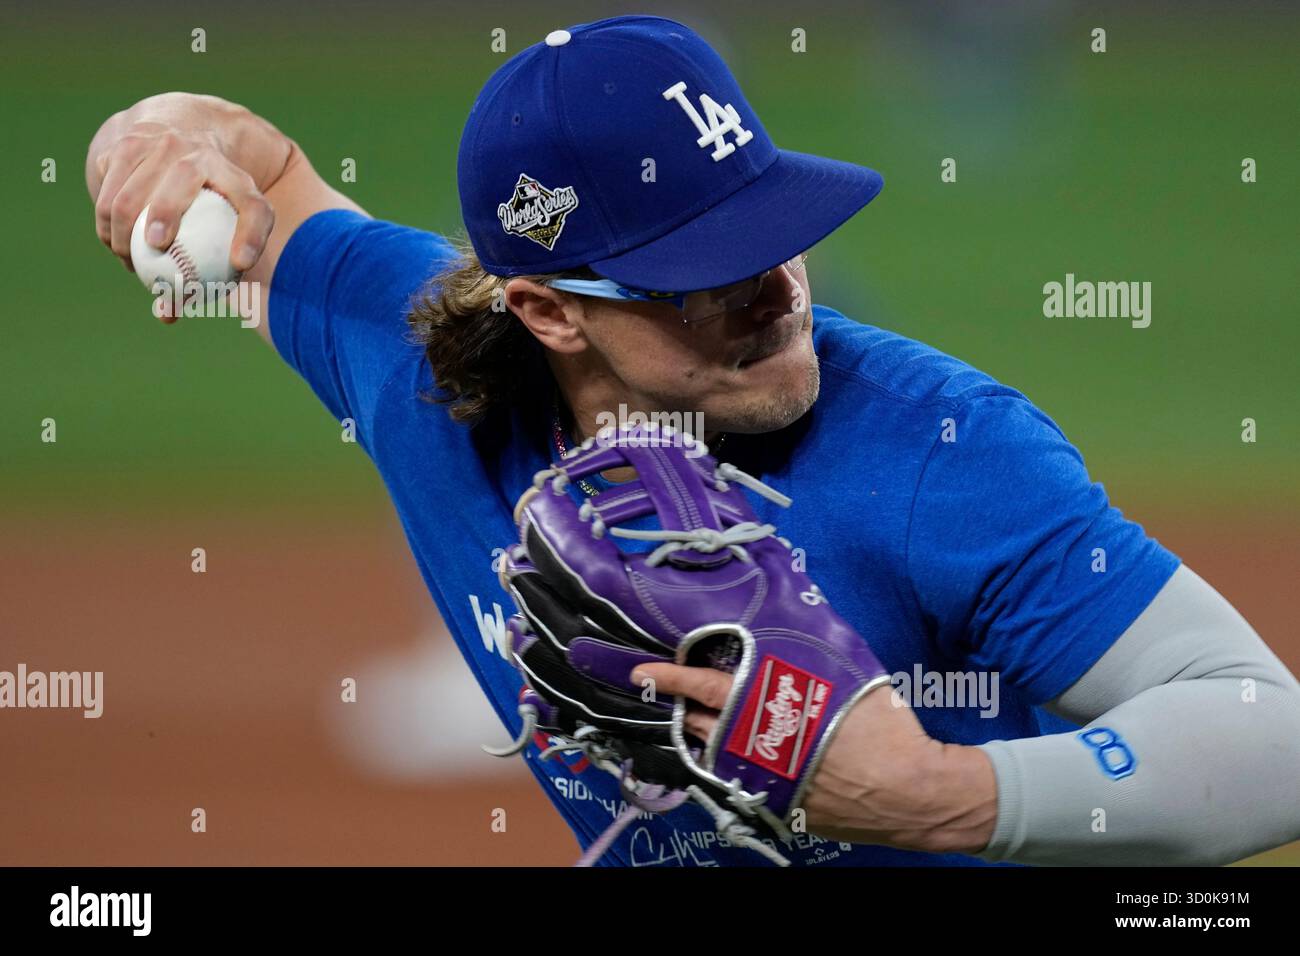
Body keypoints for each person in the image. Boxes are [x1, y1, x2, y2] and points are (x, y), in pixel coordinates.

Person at [85, 15, 1300, 867]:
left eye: (774, 229)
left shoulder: (939, 451)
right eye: (700, 275)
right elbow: (251, 170)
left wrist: (939, 795)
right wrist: (151, 137)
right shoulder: (427, 380)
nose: (776, 289)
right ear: (548, 310)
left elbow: (1268, 733)